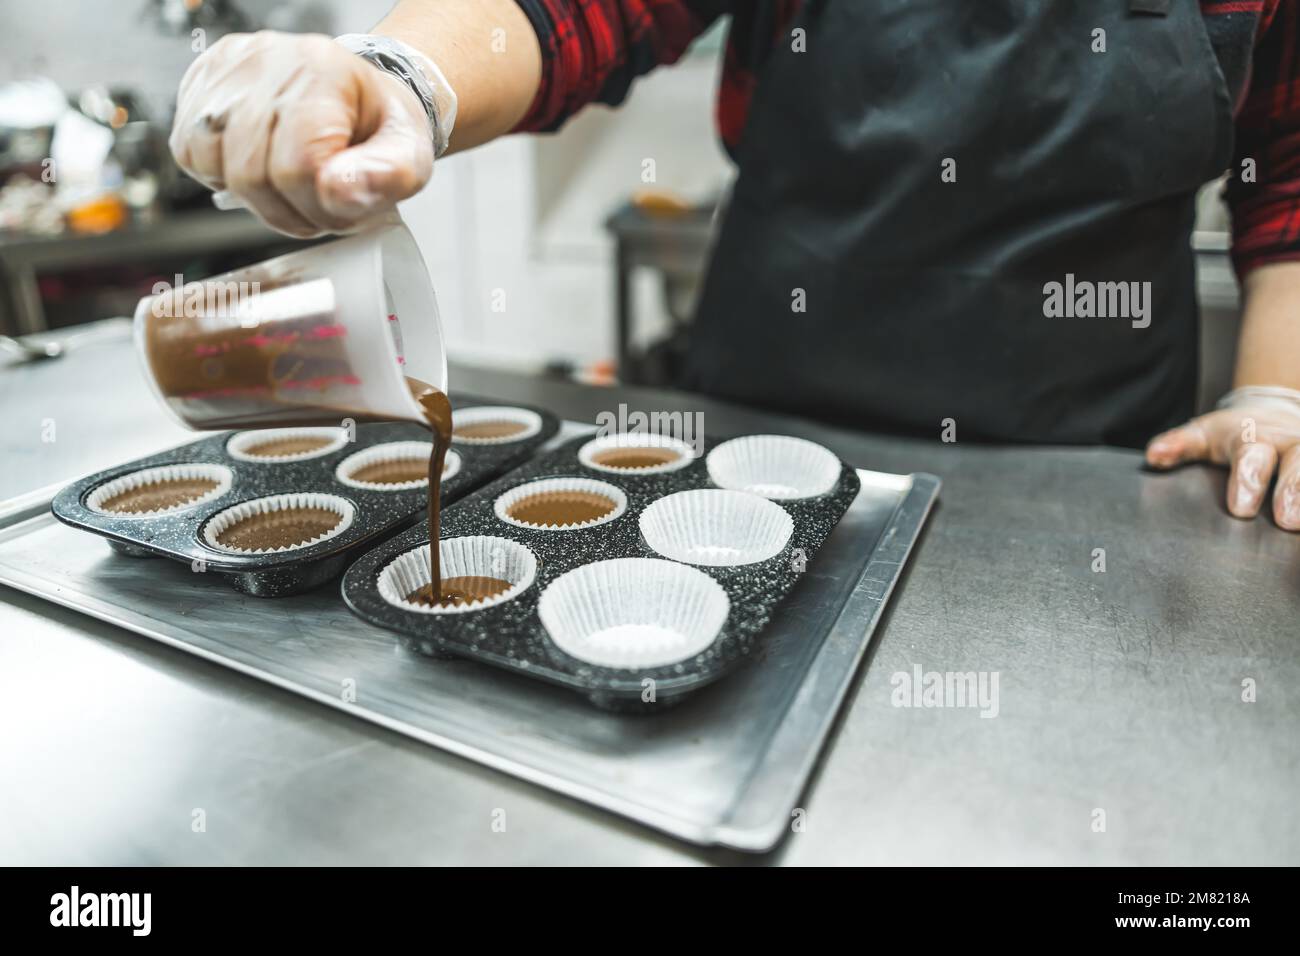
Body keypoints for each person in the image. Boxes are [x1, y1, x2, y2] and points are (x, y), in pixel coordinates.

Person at [168, 0, 1300, 530]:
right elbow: (579, 10)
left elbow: (1287, 172)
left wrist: (1276, 388)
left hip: (1083, 482)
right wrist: (400, 73)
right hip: (754, 441)